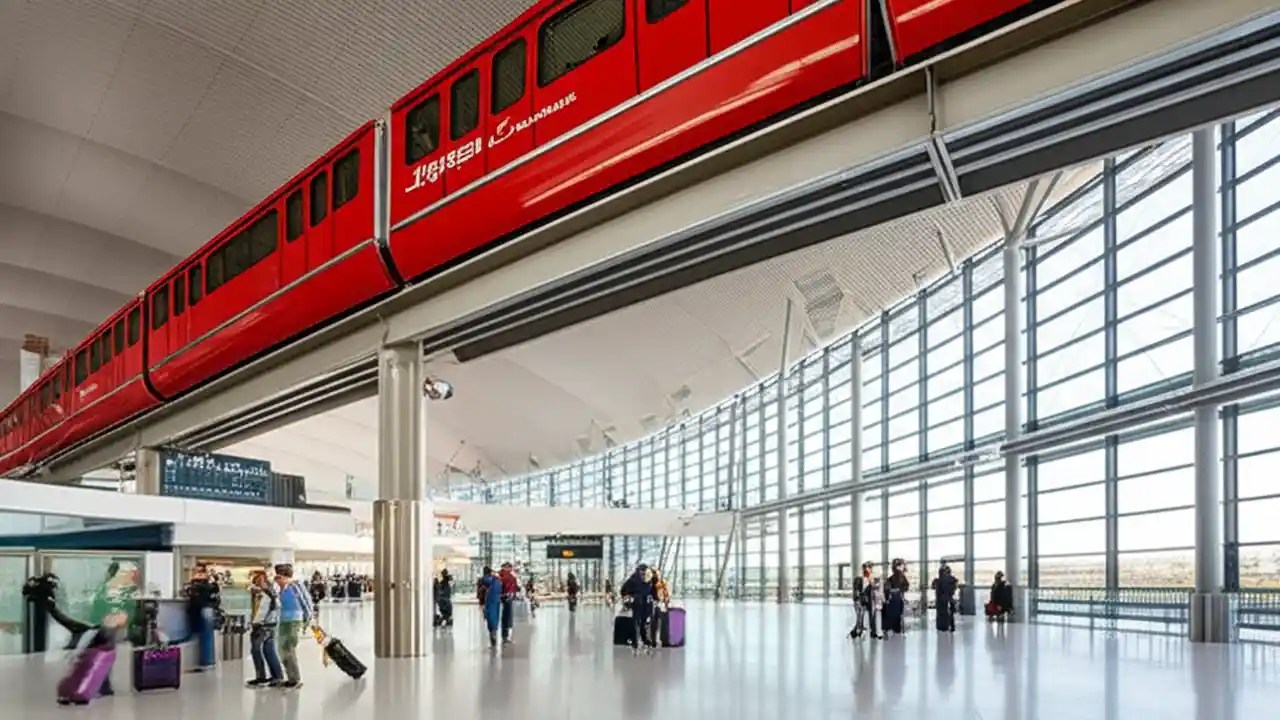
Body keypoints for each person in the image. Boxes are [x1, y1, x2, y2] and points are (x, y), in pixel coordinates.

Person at [273, 564, 315, 690]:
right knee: (282, 649)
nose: (276, 580)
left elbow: (307, 603)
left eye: (278, 577)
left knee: (290, 648)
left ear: (285, 576)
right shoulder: (281, 589)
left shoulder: (296, 586)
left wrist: (307, 621)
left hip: (294, 621)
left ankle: (295, 679)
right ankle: (290, 677)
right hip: (284, 621)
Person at [246, 570, 284, 688]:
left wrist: (257, 623)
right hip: (269, 625)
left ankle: (262, 677)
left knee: (256, 650)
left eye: (259, 581)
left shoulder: (266, 595)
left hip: (263, 626)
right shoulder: (269, 594)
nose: (257, 584)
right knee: (268, 650)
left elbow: (262, 612)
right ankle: (277, 676)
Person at [185, 564, 221, 671]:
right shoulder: (204, 584)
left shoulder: (202, 584)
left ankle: (207, 662)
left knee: (206, 636)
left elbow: (209, 590)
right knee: (205, 635)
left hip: (204, 609)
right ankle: (207, 661)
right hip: (205, 609)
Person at [620, 565, 657, 654]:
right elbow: (623, 590)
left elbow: (653, 591)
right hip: (639, 602)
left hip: (645, 603)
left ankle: (643, 640)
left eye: (645, 572)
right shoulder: (633, 580)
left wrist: (655, 598)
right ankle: (637, 642)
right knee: (638, 622)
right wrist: (630, 596)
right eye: (642, 572)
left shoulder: (648, 579)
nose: (644, 574)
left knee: (642, 623)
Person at [849, 561, 873, 640]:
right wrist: (858, 599)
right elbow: (857, 591)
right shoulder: (858, 579)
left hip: (863, 601)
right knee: (859, 617)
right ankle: (857, 632)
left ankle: (855, 632)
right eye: (868, 568)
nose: (869, 570)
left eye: (869, 568)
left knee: (861, 617)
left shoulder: (869, 580)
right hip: (859, 601)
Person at [480, 566, 503, 648]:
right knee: (494, 619)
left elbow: (484, 580)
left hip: (490, 602)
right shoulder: (498, 580)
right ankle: (494, 637)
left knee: (490, 619)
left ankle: (493, 639)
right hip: (496, 601)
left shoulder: (488, 580)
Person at [884, 559, 909, 636]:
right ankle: (898, 629)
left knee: (894, 614)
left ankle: (893, 628)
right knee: (899, 614)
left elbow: (887, 588)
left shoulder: (891, 578)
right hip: (899, 598)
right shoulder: (901, 576)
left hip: (893, 599)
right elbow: (906, 586)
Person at [931, 564, 958, 633]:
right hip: (950, 598)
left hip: (941, 599)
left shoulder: (938, 580)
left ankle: (942, 626)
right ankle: (951, 626)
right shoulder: (952, 579)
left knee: (942, 613)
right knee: (951, 613)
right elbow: (954, 588)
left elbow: (933, 587)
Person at [498, 563, 519, 643]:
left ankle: (504, 636)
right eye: (510, 567)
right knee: (507, 617)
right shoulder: (507, 576)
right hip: (507, 597)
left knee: (505, 617)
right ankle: (505, 637)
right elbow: (513, 585)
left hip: (503, 597)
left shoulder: (499, 575)